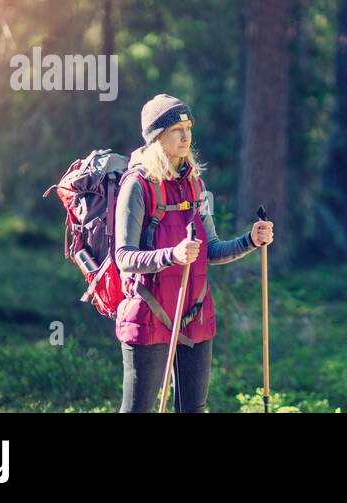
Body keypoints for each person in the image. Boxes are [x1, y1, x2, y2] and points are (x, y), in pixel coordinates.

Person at [113, 94, 274, 412]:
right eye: (176, 128)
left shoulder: (195, 185)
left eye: (188, 127)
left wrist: (251, 241)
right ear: (157, 136)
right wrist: (170, 255)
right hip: (149, 313)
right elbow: (124, 257)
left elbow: (210, 250)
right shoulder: (137, 186)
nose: (185, 135)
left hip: (195, 312)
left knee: (193, 409)